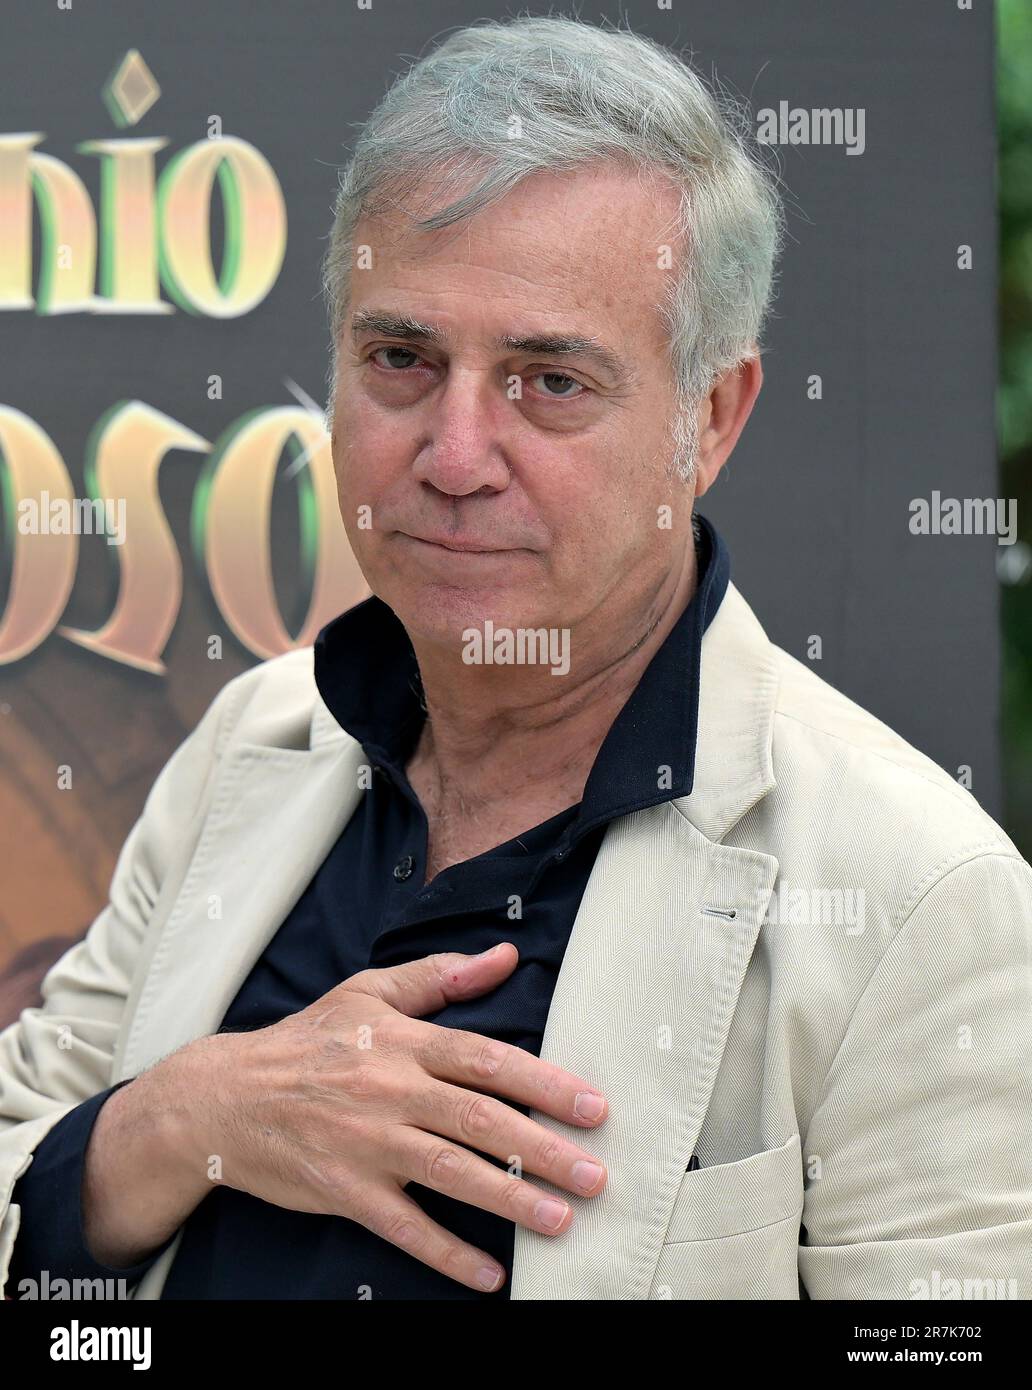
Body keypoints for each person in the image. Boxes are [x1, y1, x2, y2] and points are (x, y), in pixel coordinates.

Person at [2, 15, 1030, 1301]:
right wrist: (179, 1119)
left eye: (550, 381)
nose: (453, 454)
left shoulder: (919, 888)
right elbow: (24, 1158)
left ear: (710, 419)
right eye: (400, 360)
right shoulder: (253, 737)